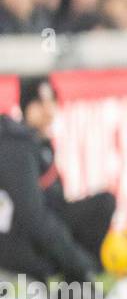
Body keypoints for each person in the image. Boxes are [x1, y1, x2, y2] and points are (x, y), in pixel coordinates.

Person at [0, 77, 107, 286]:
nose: (49, 110)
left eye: (52, 101)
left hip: (33, 232)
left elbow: (54, 208)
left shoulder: (39, 144)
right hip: (13, 240)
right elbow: (32, 215)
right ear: (26, 106)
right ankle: (77, 279)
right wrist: (76, 259)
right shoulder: (16, 146)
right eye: (40, 103)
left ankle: (76, 284)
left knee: (102, 205)